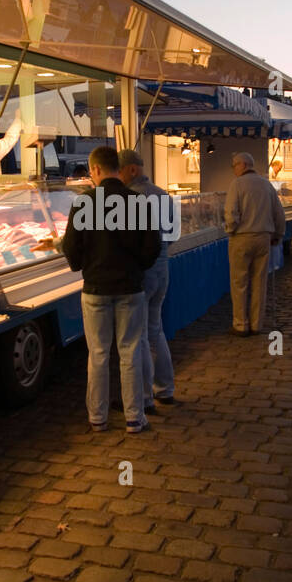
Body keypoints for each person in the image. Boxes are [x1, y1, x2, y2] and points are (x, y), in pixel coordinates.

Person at [62, 146, 162, 432]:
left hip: (95, 289)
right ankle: (134, 418)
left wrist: (84, 266)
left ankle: (98, 418)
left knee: (98, 355)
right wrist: (136, 268)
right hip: (131, 288)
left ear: (94, 170)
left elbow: (71, 247)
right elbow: (153, 246)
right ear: (117, 168)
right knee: (130, 351)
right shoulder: (138, 202)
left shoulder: (84, 203)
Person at [118, 149, 176, 409]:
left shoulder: (131, 198)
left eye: (119, 172)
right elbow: (173, 234)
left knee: (138, 335)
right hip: (162, 266)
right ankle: (165, 388)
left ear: (131, 170)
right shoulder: (163, 194)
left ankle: (143, 398)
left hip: (142, 270)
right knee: (155, 329)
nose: (117, 177)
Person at [225, 152, 286, 336]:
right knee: (260, 282)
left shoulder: (237, 184)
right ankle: (257, 323)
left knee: (239, 282)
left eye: (234, 165)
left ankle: (240, 324)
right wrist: (278, 234)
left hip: (242, 237)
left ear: (242, 165)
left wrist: (230, 228)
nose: (234, 169)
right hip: (263, 237)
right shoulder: (266, 184)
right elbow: (279, 212)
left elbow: (231, 212)